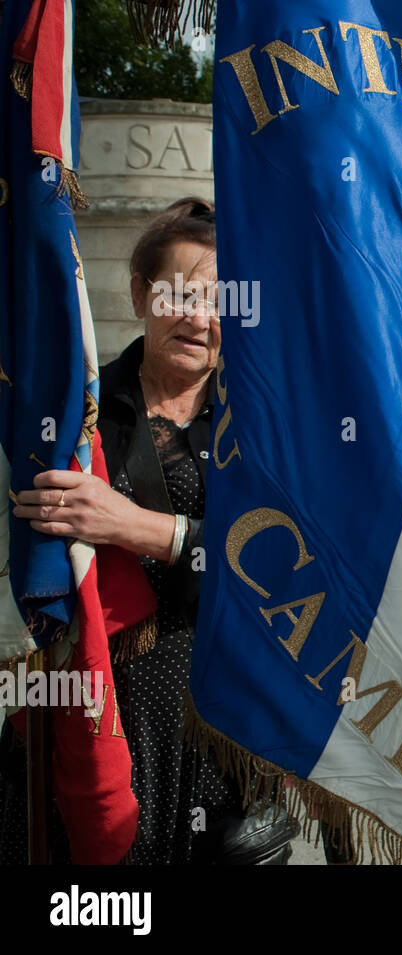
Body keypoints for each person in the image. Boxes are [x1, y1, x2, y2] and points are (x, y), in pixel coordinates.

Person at [1, 197, 295, 863]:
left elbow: (279, 572)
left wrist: (134, 525)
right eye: (183, 294)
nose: (200, 318)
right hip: (91, 722)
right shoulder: (72, 421)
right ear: (140, 293)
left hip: (219, 741)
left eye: (220, 302)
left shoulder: (265, 432)